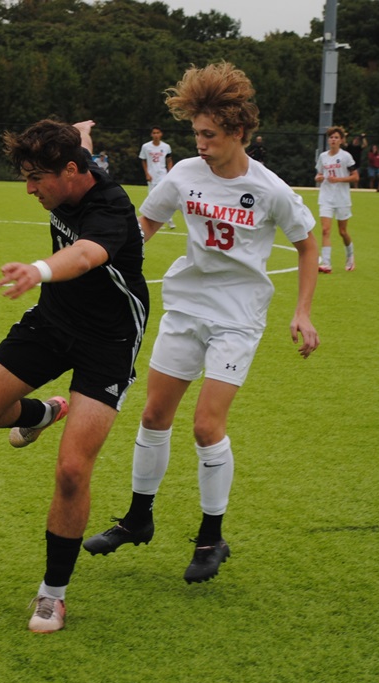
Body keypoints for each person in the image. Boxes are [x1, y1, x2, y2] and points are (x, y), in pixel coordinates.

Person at [83, 62, 320, 585]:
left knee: (206, 425)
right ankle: (138, 519)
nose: (201, 143)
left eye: (210, 135)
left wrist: (301, 311)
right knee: (152, 416)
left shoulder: (270, 188)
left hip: (238, 317)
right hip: (186, 307)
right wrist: (113, 263)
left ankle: (212, 537)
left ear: (239, 133)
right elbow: (145, 222)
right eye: (196, 133)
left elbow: (307, 243)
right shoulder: (185, 173)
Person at [0, 119, 149, 633]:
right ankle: (43, 412)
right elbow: (79, 146)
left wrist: (37, 269)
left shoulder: (112, 208)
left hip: (109, 341)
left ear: (70, 171)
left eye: (36, 177)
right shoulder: (74, 162)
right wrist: (81, 129)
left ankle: (52, 594)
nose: (30, 189)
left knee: (71, 470)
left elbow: (84, 255)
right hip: (54, 320)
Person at [315, 126, 359, 273]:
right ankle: (326, 264)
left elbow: (355, 177)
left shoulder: (346, 156)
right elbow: (319, 174)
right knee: (326, 230)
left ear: (341, 140)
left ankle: (350, 256)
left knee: (342, 231)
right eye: (331, 137)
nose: (333, 140)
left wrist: (339, 179)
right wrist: (319, 178)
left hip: (342, 199)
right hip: (326, 197)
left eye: (336, 138)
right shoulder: (323, 157)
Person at [139, 126, 175, 228]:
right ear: (151, 135)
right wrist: (147, 173)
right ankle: (156, 220)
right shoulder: (146, 146)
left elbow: (169, 160)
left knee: (165, 196)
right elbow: (143, 160)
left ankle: (169, 220)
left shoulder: (166, 146)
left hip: (163, 175)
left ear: (161, 134)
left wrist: (170, 173)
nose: (156, 135)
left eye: (157, 133)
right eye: (154, 133)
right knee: (152, 197)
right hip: (152, 175)